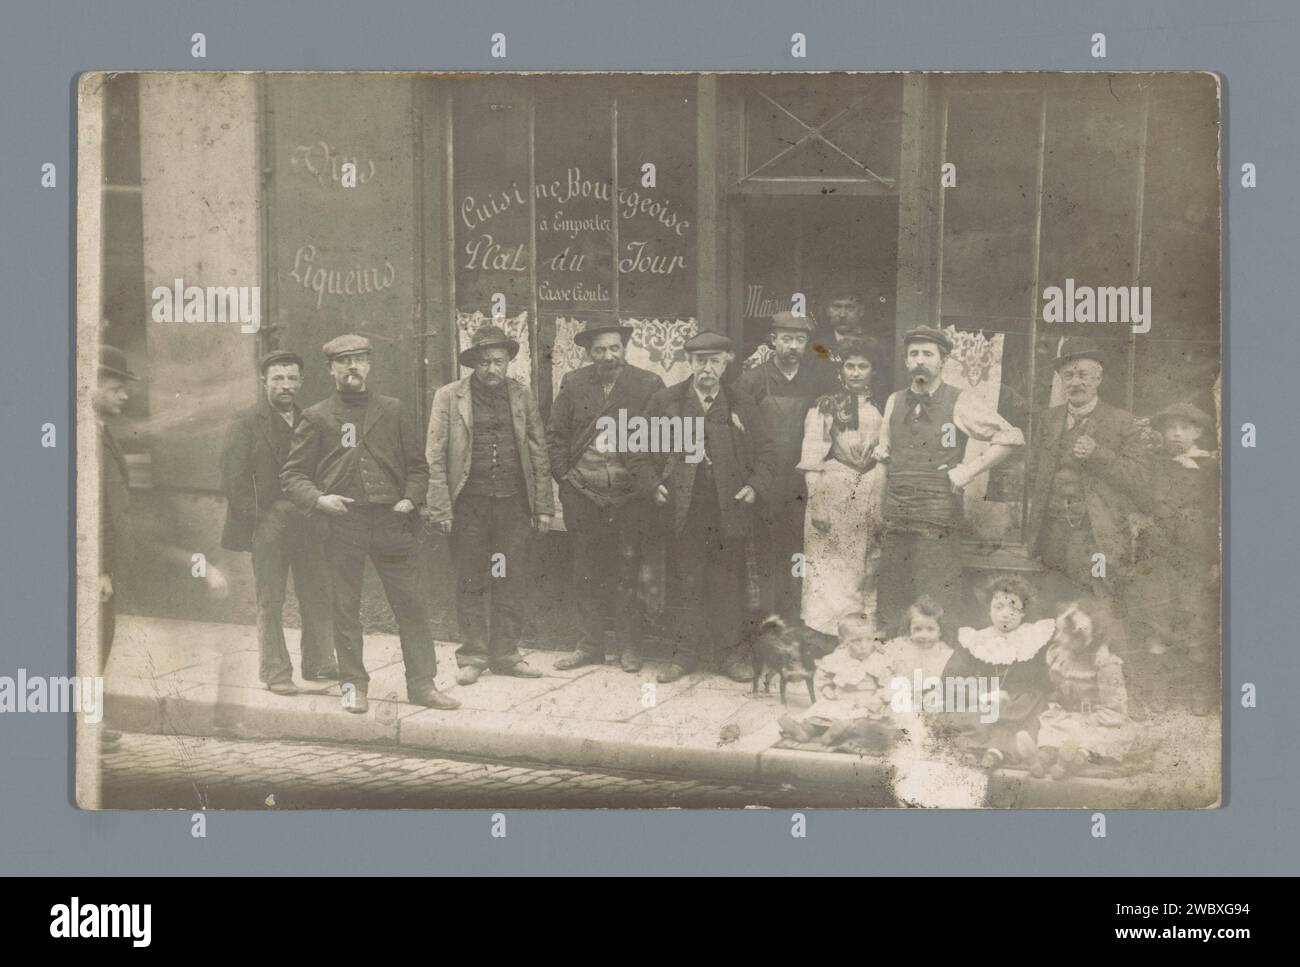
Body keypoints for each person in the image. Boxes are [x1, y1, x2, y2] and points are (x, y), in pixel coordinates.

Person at [281, 334, 459, 714]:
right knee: (345, 608)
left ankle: (423, 684)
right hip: (343, 524)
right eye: (344, 361)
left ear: (369, 365)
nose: (353, 367)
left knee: (411, 603)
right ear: (331, 369)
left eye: (360, 359)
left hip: (391, 522)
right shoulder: (316, 416)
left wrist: (411, 498)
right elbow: (293, 475)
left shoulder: (393, 410)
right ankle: (353, 686)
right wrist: (319, 499)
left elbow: (418, 466)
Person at [875, 326, 1025, 638]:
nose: (920, 360)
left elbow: (1011, 436)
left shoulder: (959, 400)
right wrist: (879, 508)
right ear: (905, 361)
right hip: (897, 515)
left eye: (928, 354)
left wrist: (969, 471)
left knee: (936, 600)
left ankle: (937, 674)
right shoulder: (893, 401)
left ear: (943, 360)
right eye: (913, 354)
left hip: (938, 517)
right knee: (893, 597)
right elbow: (885, 457)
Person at [425, 325, 554, 686]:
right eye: (485, 362)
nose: (492, 369)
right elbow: (434, 454)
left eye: (499, 361)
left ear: (510, 361)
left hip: (513, 506)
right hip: (469, 506)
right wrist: (440, 508)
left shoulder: (521, 395)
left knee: (508, 576)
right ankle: (473, 655)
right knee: (471, 578)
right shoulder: (450, 397)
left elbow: (538, 449)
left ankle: (506, 653)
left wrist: (543, 505)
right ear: (474, 364)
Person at [1025, 338, 1152, 676]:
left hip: (1097, 537)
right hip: (1053, 533)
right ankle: (1056, 683)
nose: (1075, 382)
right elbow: (1036, 473)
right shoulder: (1049, 420)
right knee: (1055, 604)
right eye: (1068, 376)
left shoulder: (1122, 422)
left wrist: (1099, 455)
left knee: (1103, 607)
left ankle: (1121, 686)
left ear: (1098, 379)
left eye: (1083, 375)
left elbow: (1141, 480)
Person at [649, 330, 766, 684]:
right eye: (700, 361)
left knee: (727, 582)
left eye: (714, 361)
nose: (706, 369)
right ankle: (683, 656)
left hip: (727, 509)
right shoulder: (666, 401)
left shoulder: (742, 403)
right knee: (686, 581)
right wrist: (652, 484)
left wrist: (754, 486)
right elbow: (637, 452)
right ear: (689, 362)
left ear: (726, 363)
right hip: (683, 510)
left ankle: (731, 655)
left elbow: (768, 454)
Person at [546, 321, 664, 673]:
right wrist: (565, 479)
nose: (608, 356)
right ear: (589, 353)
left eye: (614, 348)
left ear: (624, 348)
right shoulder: (574, 383)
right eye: (600, 350)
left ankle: (630, 647)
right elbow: (555, 435)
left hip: (629, 496)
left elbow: (660, 438)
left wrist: (647, 483)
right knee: (586, 570)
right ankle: (589, 646)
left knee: (629, 570)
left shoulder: (648, 384)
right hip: (583, 492)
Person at [220, 350, 336, 696]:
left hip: (307, 520)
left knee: (317, 592)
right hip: (269, 520)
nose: (285, 386)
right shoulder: (245, 422)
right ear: (264, 382)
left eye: (291, 379)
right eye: (277, 379)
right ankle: (275, 671)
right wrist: (259, 519)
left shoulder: (309, 420)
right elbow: (233, 478)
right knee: (271, 599)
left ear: (300, 382)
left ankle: (317, 663)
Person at [739, 311, 839, 622]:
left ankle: (794, 618)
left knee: (797, 550)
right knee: (764, 552)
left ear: (807, 344)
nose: (792, 346)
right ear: (773, 341)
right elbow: (738, 428)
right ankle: (766, 619)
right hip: (765, 480)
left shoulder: (817, 379)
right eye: (786, 339)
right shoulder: (754, 379)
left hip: (800, 483)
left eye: (799, 340)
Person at [1132, 401, 1220, 715]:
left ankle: (1200, 688)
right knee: (1158, 618)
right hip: (1158, 555)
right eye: (1171, 427)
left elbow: (1217, 514)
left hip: (1196, 555)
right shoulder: (1153, 464)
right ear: (1162, 432)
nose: (1178, 433)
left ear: (1198, 432)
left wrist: (1214, 557)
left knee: (1196, 617)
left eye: (1185, 427)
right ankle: (1159, 688)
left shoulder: (1212, 469)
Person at [796, 336, 888, 637]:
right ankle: (825, 632)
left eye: (863, 366)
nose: (856, 372)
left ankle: (859, 634)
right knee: (829, 565)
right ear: (841, 370)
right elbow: (811, 457)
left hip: (871, 487)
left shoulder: (885, 405)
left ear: (873, 371)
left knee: (866, 563)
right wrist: (817, 503)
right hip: (832, 488)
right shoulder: (826, 405)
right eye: (850, 366)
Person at [940, 574, 1056, 770]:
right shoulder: (977, 640)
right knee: (969, 719)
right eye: (999, 607)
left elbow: (1048, 676)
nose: (1005, 613)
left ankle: (998, 753)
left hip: (1022, 703)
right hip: (986, 699)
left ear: (1023, 612)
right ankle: (973, 752)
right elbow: (950, 679)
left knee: (1025, 718)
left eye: (1013, 607)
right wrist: (982, 695)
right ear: (989, 610)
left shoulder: (1034, 638)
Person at [1018, 602, 1141, 779]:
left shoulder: (1106, 665)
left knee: (1093, 742)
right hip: (1069, 715)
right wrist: (1056, 677)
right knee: (1053, 731)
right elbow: (1058, 690)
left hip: (1098, 719)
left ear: (1080, 638)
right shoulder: (1060, 655)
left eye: (1063, 633)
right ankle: (1040, 760)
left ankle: (1070, 763)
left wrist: (1090, 720)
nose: (1057, 637)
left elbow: (1114, 707)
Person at [95, 345, 137, 676]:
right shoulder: (80, 435)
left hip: (101, 565)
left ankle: (85, 718)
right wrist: (99, 569)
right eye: (116, 389)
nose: (125, 396)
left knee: (98, 640)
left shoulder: (101, 430)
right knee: (92, 641)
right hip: (91, 567)